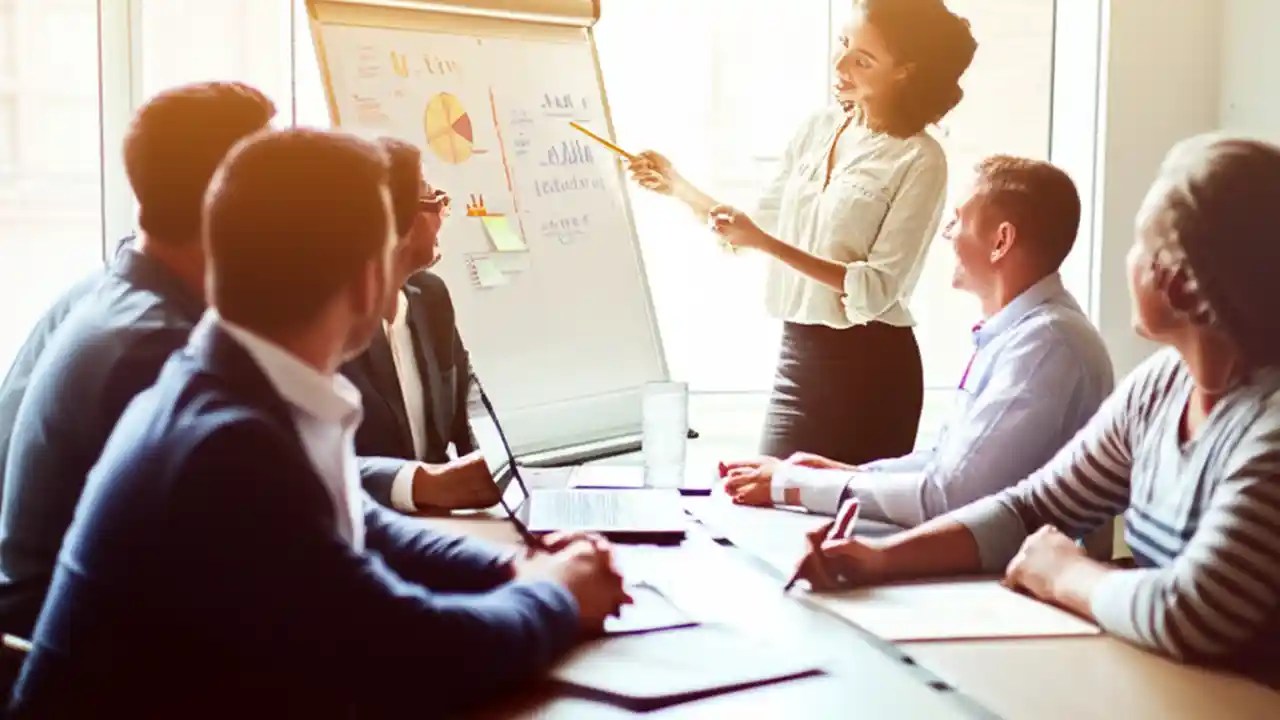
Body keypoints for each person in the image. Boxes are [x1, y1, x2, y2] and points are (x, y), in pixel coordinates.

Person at [9, 128, 629, 716]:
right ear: (368, 280)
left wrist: (510, 569)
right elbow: (409, 651)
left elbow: (367, 529)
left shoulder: (232, 379)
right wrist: (558, 594)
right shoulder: (224, 444)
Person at [793, 135, 1280, 668]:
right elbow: (1031, 507)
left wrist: (1063, 572)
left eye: (1139, 243)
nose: (1129, 259)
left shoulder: (1269, 428)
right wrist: (881, 561)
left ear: (1180, 282)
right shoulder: (1161, 387)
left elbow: (1191, 615)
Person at [628, 0, 977, 466]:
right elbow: (755, 225)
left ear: (905, 72)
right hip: (799, 357)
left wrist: (762, 241)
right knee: (765, 506)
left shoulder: (920, 159)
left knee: (833, 531)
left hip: (870, 371)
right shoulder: (819, 128)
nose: (840, 65)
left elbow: (875, 290)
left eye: (863, 59)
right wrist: (677, 185)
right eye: (843, 45)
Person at [720, 156, 1114, 531]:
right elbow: (950, 465)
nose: (947, 234)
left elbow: (951, 497)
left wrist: (793, 485)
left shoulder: (1045, 345)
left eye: (958, 220)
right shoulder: (1022, 333)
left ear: (1001, 241)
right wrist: (850, 474)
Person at [343, 137, 497, 513]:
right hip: (371, 531)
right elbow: (304, 464)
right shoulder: (325, 321)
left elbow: (466, 398)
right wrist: (425, 485)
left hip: (450, 524)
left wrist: (500, 469)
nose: (444, 211)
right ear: (393, 222)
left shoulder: (430, 297)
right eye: (431, 195)